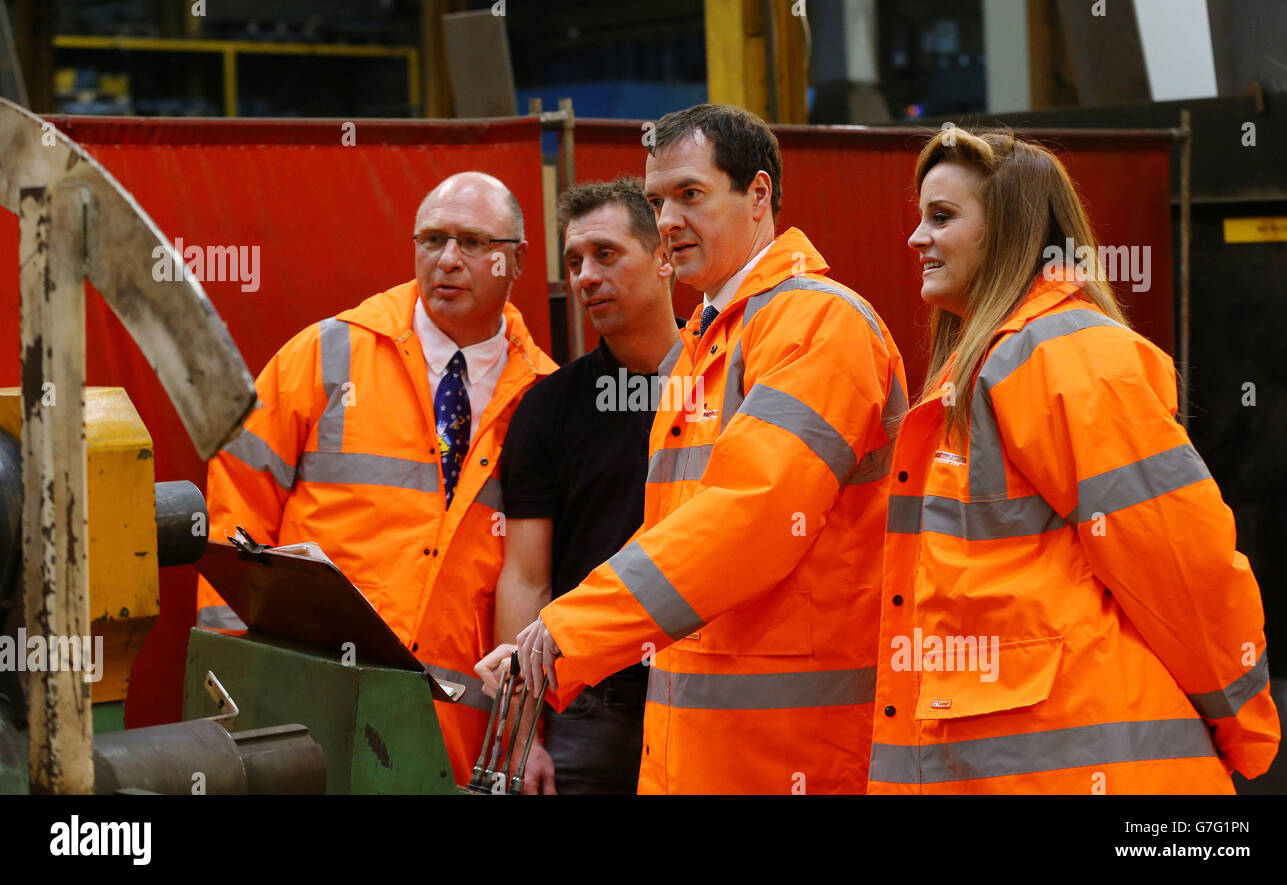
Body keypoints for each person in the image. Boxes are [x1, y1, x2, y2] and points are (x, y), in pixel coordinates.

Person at [867, 127, 1280, 793]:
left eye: (941, 217)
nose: (918, 238)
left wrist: (1246, 726)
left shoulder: (1062, 354)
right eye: (921, 217)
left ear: (1010, 231)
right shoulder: (1004, 361)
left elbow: (1179, 559)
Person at [515, 103, 909, 794]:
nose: (667, 220)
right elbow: (682, 535)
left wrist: (569, 627)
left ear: (759, 195)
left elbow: (752, 517)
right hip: (703, 739)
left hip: (790, 745)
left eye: (689, 195)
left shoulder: (820, 323)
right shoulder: (708, 342)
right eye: (656, 200)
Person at [198, 172, 557, 787]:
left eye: (472, 242)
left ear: (516, 259)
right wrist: (230, 674)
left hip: (454, 734)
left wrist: (525, 733)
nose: (447, 260)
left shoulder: (546, 397)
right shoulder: (324, 356)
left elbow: (543, 583)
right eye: (432, 239)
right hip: (305, 707)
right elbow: (234, 515)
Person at [475, 177, 681, 794]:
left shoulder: (725, 388)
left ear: (665, 257)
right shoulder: (550, 407)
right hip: (591, 704)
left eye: (606, 254)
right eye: (573, 261)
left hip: (710, 689)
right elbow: (525, 576)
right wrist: (524, 732)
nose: (585, 276)